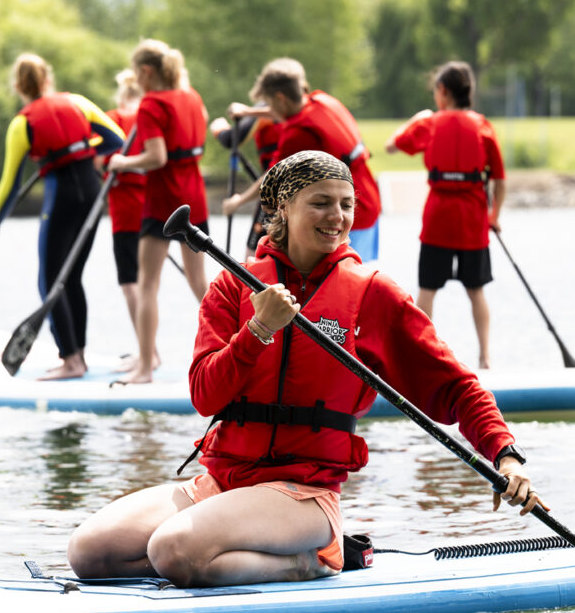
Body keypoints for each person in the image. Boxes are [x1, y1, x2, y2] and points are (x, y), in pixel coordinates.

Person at [66, 150, 545, 589]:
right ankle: (216, 552)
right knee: (89, 553)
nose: (337, 217)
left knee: (172, 549)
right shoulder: (233, 287)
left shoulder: (374, 293)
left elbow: (455, 385)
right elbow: (204, 396)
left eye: (346, 204)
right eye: (320, 203)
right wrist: (257, 331)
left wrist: (505, 454)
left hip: (304, 492)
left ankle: (312, 558)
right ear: (282, 209)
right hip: (223, 480)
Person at [0, 52, 125, 380]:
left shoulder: (22, 123)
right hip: (92, 194)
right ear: (48, 79)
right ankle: (79, 358)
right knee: (72, 277)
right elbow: (116, 139)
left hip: (60, 198)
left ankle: (71, 360)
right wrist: (81, 147)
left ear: (19, 86)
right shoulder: (76, 102)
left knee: (50, 280)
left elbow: (10, 184)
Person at [385, 61, 506, 369]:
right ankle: (485, 358)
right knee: (476, 291)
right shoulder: (483, 125)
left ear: (442, 91)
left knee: (427, 290)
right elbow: (500, 180)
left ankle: (422, 355)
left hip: (438, 220)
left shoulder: (430, 124)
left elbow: (390, 146)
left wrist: (417, 118)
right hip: (473, 222)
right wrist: (495, 216)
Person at [107, 39, 210, 384]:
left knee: (147, 284)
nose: (136, 79)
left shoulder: (152, 104)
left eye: (137, 73)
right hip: (195, 195)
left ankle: (145, 367)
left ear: (147, 71)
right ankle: (234, 342)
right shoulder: (192, 96)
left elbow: (157, 157)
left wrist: (122, 162)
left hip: (164, 201)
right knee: (199, 282)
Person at [222, 58, 382, 262]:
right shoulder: (322, 100)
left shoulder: (298, 133)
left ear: (281, 99)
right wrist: (250, 112)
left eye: (270, 103)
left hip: (347, 212)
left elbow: (269, 179)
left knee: (340, 283)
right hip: (368, 199)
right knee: (356, 278)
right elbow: (283, 109)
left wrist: (238, 201)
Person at [98, 69, 157, 373]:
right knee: (149, 283)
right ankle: (150, 353)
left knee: (130, 283)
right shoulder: (149, 118)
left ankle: (148, 353)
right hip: (151, 208)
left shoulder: (113, 118)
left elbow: (97, 158)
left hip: (124, 211)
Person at [210, 105, 282, 258]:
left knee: (253, 257)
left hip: (274, 198)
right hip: (285, 195)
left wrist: (219, 128)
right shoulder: (300, 108)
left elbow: (231, 138)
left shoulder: (268, 108)